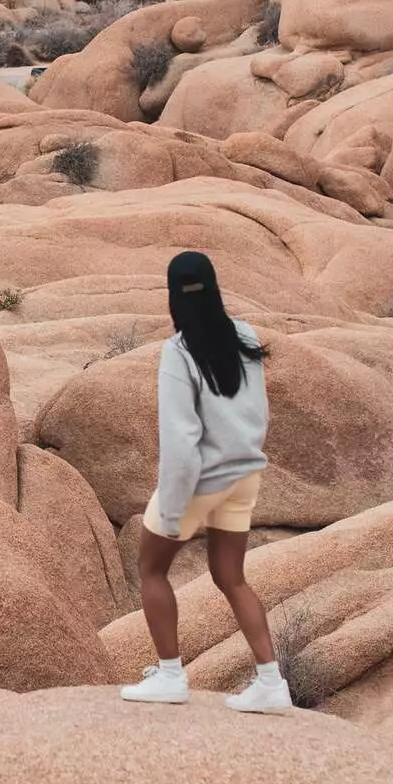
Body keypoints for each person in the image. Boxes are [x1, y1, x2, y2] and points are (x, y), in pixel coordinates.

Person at [120, 251, 292, 713]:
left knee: (151, 568)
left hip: (201, 480)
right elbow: (258, 410)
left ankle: (171, 676)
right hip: (245, 474)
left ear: (173, 296)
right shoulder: (245, 335)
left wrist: (174, 508)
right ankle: (271, 684)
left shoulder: (178, 351)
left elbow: (180, 440)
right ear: (215, 287)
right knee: (231, 577)